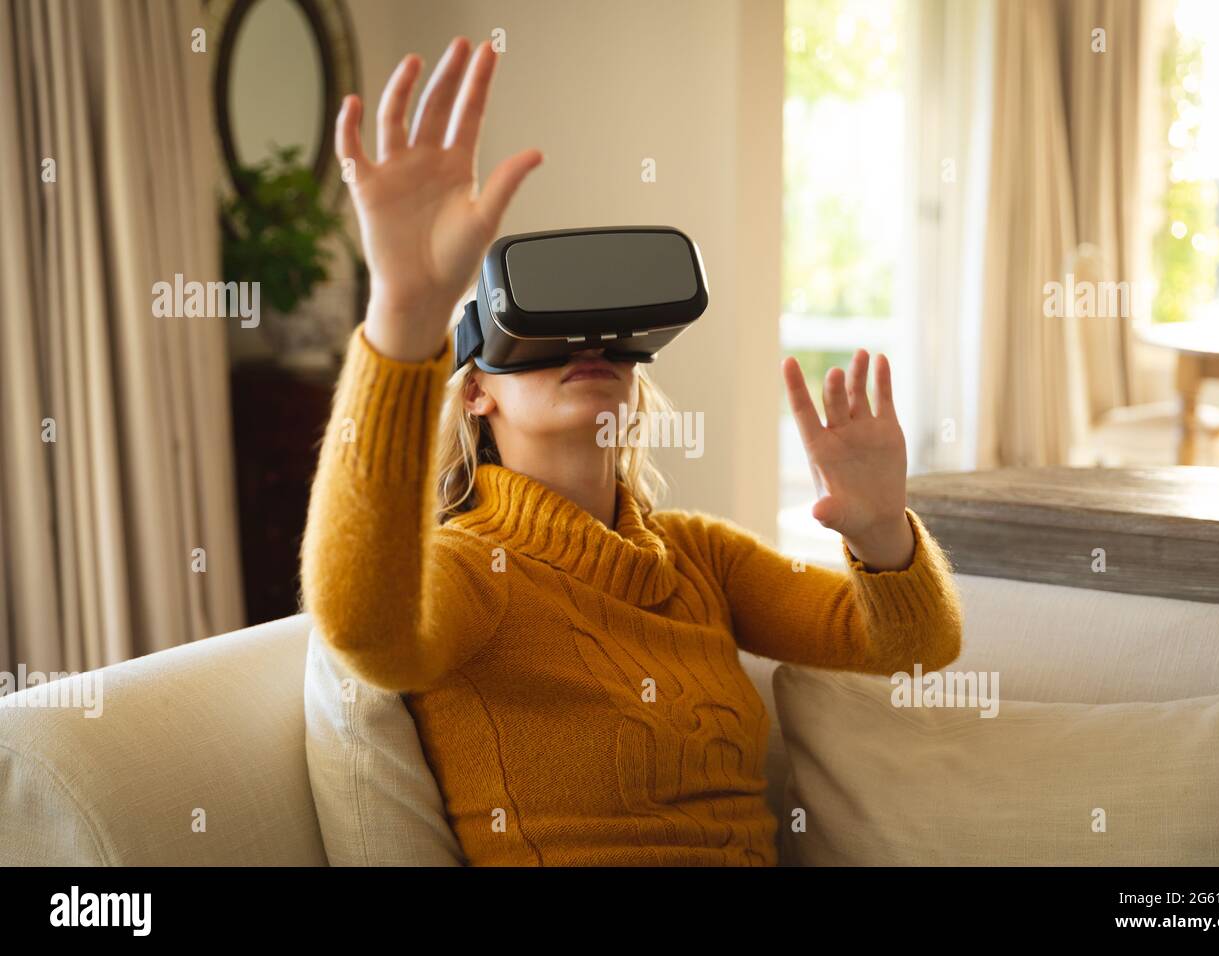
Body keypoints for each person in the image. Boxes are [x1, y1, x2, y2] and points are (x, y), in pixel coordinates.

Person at [300, 37, 963, 866]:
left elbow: (911, 647)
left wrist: (880, 531)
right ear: (476, 390)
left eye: (614, 341)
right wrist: (402, 314)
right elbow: (363, 632)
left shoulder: (702, 559)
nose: (590, 346)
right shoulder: (476, 572)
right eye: (550, 334)